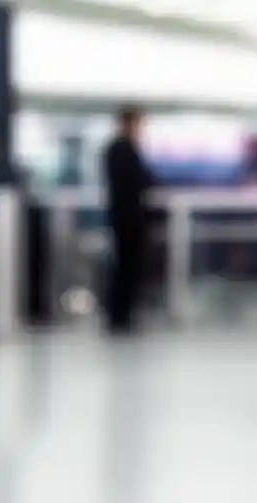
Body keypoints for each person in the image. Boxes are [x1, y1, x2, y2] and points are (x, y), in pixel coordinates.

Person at [103, 105, 155, 333]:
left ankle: (121, 314)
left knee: (125, 266)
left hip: (123, 218)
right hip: (128, 219)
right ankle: (120, 315)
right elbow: (141, 180)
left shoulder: (116, 149)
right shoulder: (123, 149)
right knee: (127, 267)